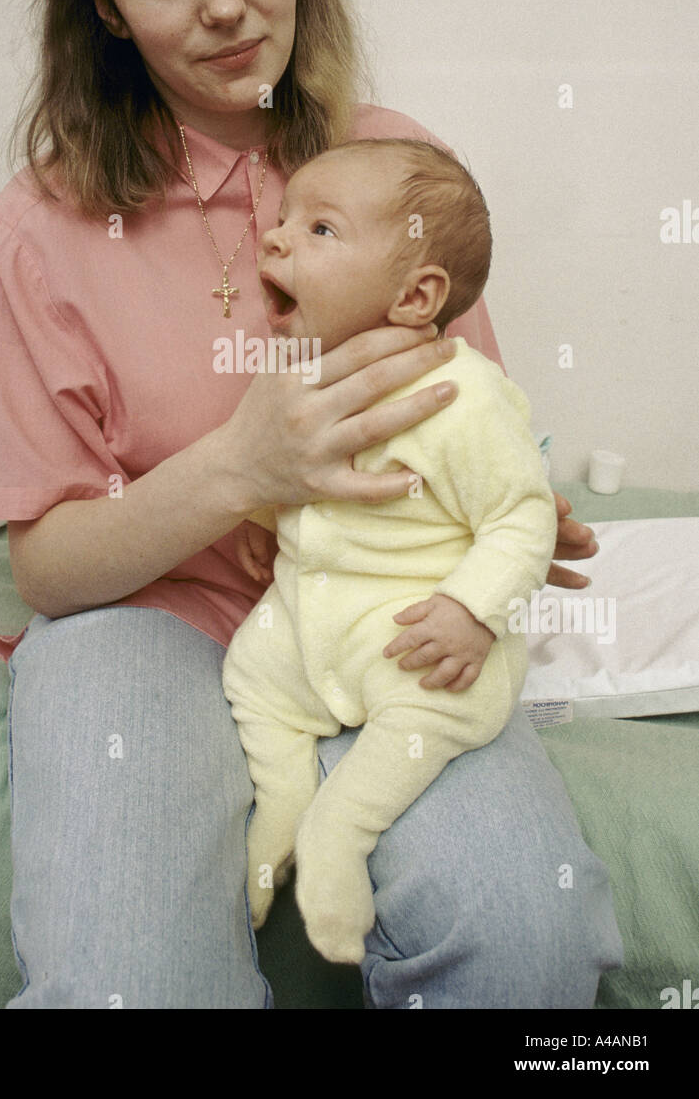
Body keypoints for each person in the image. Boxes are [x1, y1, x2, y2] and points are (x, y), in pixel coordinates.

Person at [0, 0, 623, 1008]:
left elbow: (466, 423)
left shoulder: (399, 167)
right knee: (128, 989)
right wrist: (239, 471)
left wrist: (514, 515)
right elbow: (43, 565)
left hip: (380, 605)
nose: (225, 5)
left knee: (529, 930)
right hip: (146, 624)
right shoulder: (35, 228)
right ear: (105, 7)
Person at [222, 137, 558, 965]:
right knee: (250, 671)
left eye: (321, 230)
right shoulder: (295, 377)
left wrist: (469, 609)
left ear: (415, 296)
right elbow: (286, 479)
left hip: (414, 625)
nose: (276, 239)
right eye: (283, 221)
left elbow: (521, 518)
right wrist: (262, 519)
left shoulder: (460, 394)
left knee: (438, 704)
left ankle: (341, 831)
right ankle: (285, 792)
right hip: (310, 620)